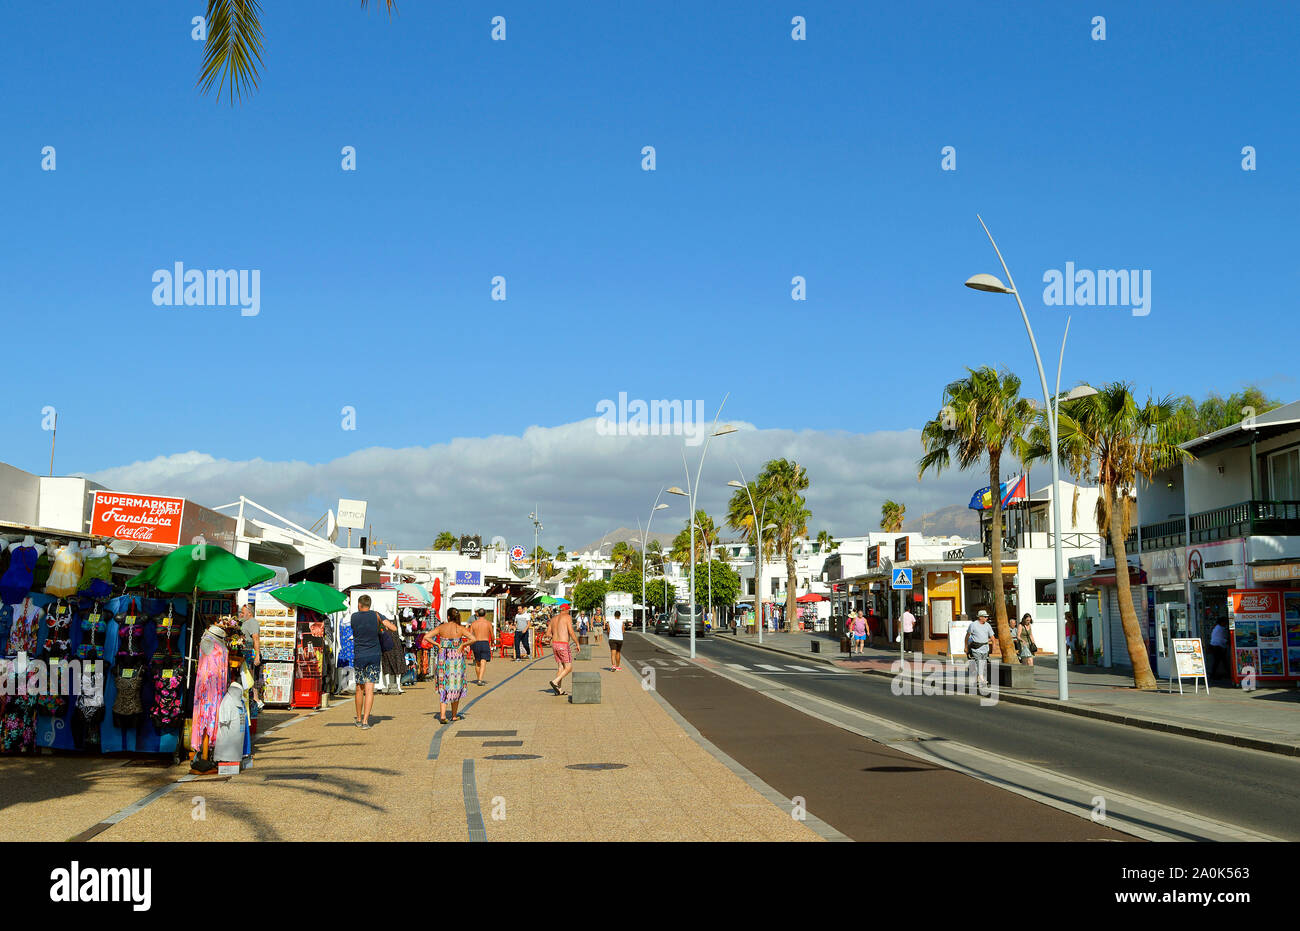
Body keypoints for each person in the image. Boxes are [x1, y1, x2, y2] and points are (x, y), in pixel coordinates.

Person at [351, 595, 398, 730]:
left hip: (359, 655)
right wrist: (383, 626)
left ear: (360, 605)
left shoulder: (354, 617)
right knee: (370, 689)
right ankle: (366, 721)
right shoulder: (376, 615)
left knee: (359, 688)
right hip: (374, 655)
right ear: (369, 605)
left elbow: (354, 630)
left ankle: (358, 718)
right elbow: (393, 628)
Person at [422, 607, 474, 724]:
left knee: (444, 684)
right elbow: (473, 638)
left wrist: (438, 645)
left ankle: (443, 715)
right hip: (456, 659)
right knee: (456, 685)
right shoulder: (460, 628)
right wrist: (462, 645)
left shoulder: (441, 627)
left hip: (443, 658)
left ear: (448, 617)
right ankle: (454, 715)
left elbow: (426, 636)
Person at [546, 607, 580, 695]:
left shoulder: (553, 619)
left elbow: (548, 634)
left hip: (555, 644)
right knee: (569, 668)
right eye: (568, 609)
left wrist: (555, 634)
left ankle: (559, 690)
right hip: (563, 644)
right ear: (566, 609)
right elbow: (571, 631)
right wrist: (577, 643)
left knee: (561, 667)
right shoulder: (567, 617)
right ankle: (555, 681)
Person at [965, 608, 995, 692]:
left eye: (986, 617)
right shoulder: (973, 625)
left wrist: (994, 644)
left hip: (985, 648)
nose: (986, 618)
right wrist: (966, 647)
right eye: (985, 617)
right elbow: (967, 636)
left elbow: (992, 636)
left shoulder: (987, 625)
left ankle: (980, 680)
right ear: (980, 617)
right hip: (976, 648)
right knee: (979, 663)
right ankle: (982, 680)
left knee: (983, 664)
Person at [469, 608, 494, 686]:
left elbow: (470, 635)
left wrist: (469, 645)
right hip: (484, 642)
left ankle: (478, 678)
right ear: (485, 614)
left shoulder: (474, 623)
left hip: (476, 642)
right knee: (483, 661)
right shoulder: (488, 623)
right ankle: (480, 679)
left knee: (477, 662)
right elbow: (492, 634)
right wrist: (492, 642)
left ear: (477, 614)